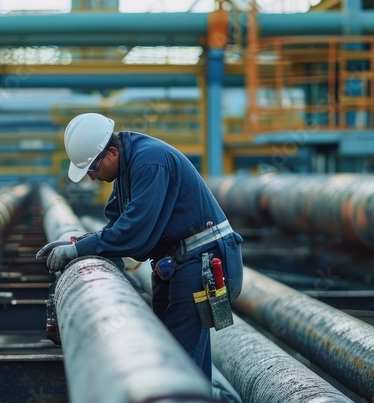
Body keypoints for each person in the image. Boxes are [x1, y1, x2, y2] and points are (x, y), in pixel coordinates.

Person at [39, 112, 243, 380]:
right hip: (177, 261)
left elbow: (134, 231)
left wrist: (77, 251)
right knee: (171, 347)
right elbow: (116, 224)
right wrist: (78, 241)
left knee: (181, 360)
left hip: (199, 260)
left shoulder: (149, 162)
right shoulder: (128, 164)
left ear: (111, 153)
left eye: (93, 169)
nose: (92, 178)